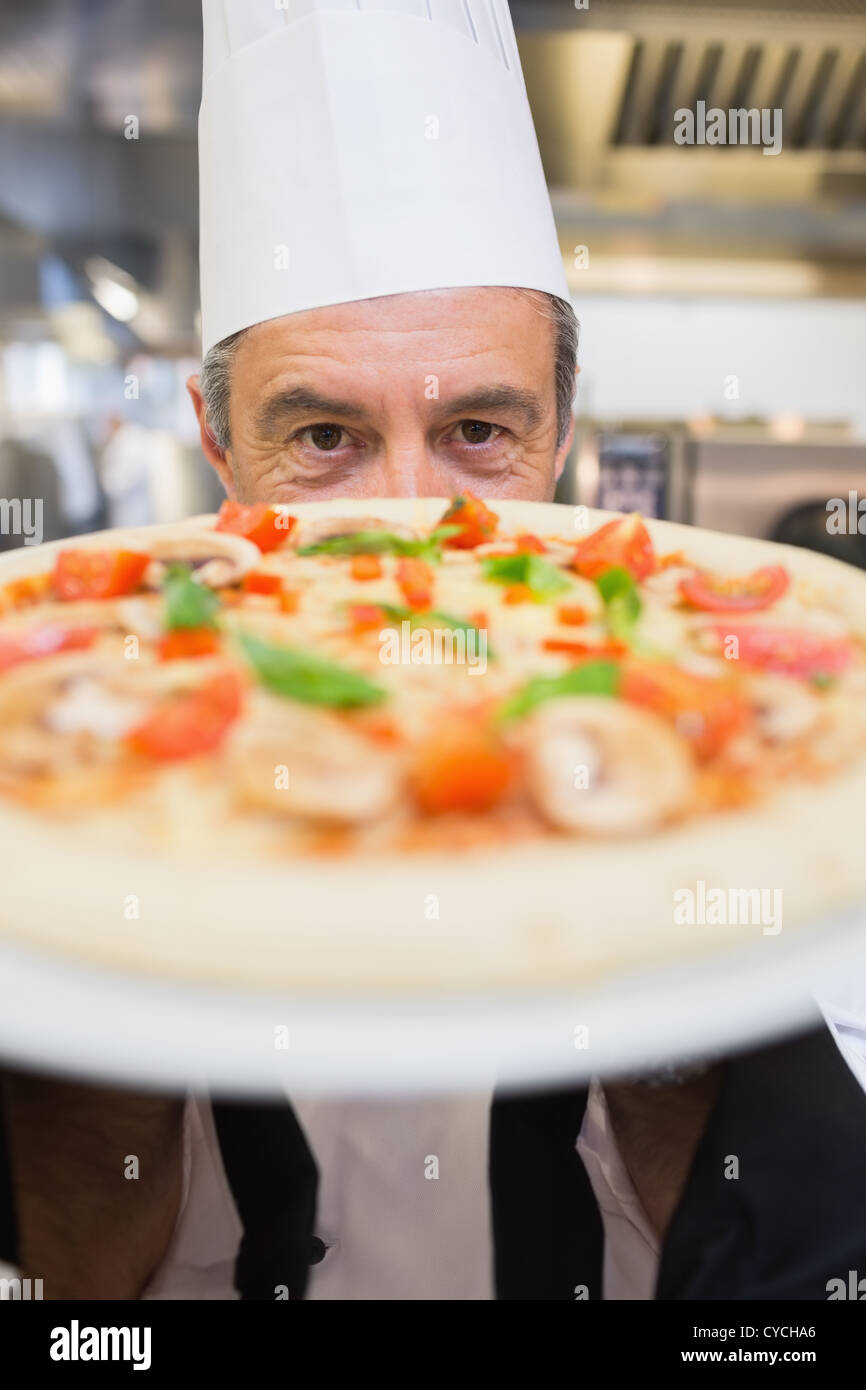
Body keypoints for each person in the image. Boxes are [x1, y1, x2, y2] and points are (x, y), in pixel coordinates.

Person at [3, 0, 866, 1302]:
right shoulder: (71, 767)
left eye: (476, 429)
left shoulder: (756, 776)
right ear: (215, 441)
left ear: (562, 432)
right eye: (323, 436)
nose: (413, 532)